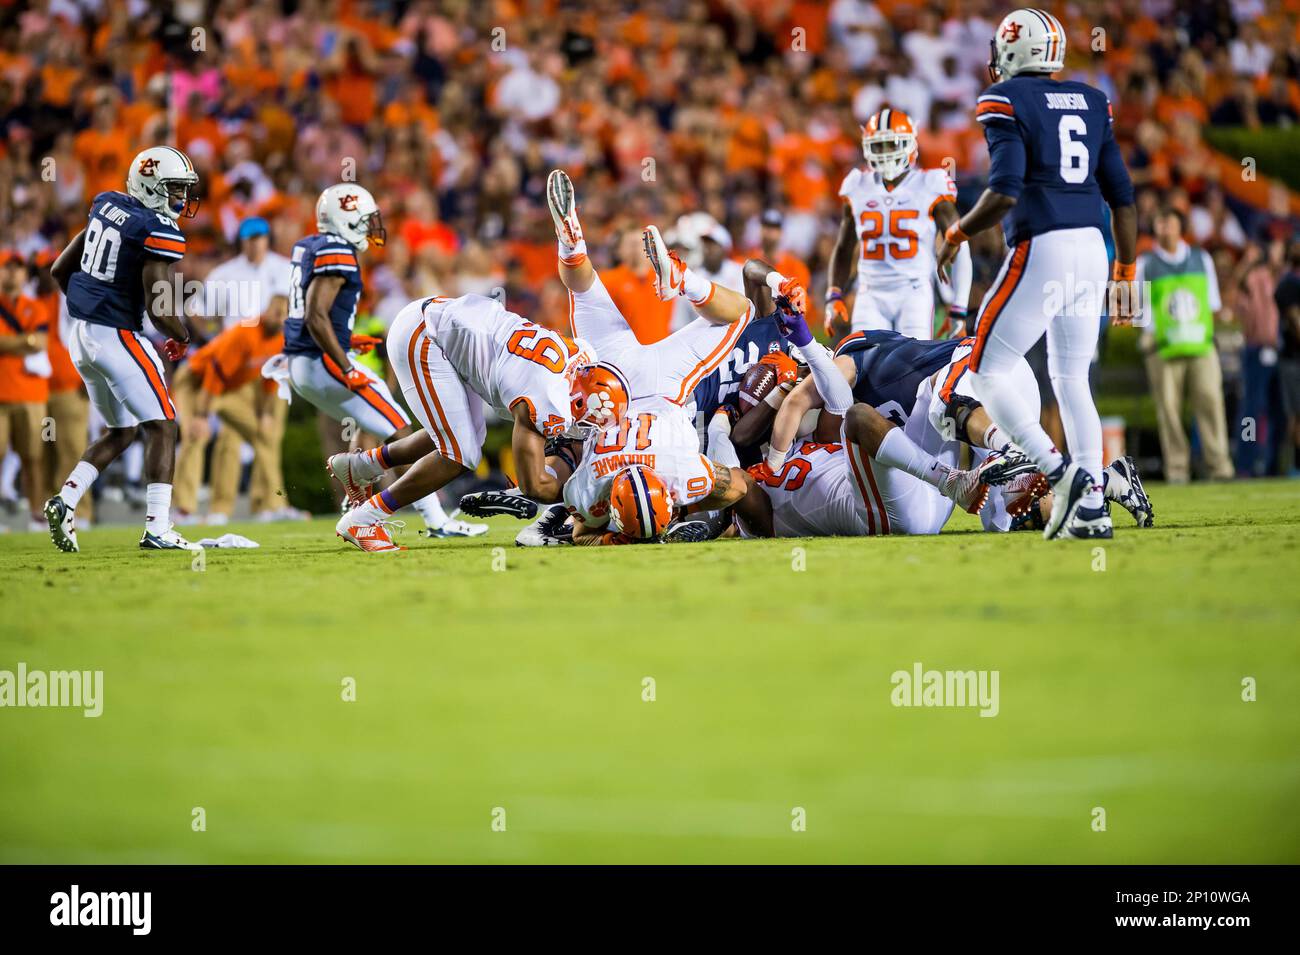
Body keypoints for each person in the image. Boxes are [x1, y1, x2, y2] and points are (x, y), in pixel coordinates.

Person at [936, 8, 1138, 540]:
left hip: (1044, 244)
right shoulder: (1093, 100)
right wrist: (1126, 270)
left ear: (1010, 52)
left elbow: (1004, 190)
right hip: (1094, 249)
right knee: (1072, 381)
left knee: (984, 369)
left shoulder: (1006, 99)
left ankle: (1059, 473)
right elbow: (1122, 195)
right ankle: (1091, 502)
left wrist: (956, 233)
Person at [45, 146, 203, 552]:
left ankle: (65, 501)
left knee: (123, 430)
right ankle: (157, 529)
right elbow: (157, 304)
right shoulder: (156, 230)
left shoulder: (106, 206)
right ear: (151, 186)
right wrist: (182, 335)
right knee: (165, 424)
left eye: (183, 190)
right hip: (117, 335)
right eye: (173, 189)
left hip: (81, 335)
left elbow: (60, 269)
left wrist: (89, 306)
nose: (181, 199)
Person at [827, 108, 972, 342]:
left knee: (912, 367)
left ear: (909, 144)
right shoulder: (856, 184)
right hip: (869, 292)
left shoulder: (930, 182)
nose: (885, 153)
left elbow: (960, 244)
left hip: (913, 290)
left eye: (892, 145)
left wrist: (958, 308)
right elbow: (844, 247)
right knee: (864, 366)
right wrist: (833, 294)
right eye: (879, 146)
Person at [1136, 208, 1235, 483]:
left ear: (1181, 227)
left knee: (1211, 403)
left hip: (1201, 345)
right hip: (1162, 348)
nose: (1164, 226)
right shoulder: (1146, 263)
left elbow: (1212, 302)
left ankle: (1220, 467)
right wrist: (1151, 337)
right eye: (1160, 221)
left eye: (1169, 221)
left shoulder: (1201, 258)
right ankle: (1177, 470)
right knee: (1168, 410)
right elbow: (1139, 308)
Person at [173, 294, 291, 523]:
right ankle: (183, 510)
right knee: (196, 434)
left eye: (286, 315)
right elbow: (214, 374)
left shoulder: (280, 339)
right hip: (197, 382)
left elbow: (268, 380)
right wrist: (201, 416)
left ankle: (275, 505)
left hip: (229, 389)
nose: (282, 319)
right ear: (266, 311)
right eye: (278, 313)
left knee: (263, 435)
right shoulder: (244, 333)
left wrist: (264, 413)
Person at [0, 251, 50, 530]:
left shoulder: (36, 307)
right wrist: (24, 341)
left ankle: (36, 515)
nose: (13, 273)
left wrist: (9, 342)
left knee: (35, 457)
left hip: (32, 396)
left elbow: (40, 343)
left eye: (17, 268)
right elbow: (32, 341)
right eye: (7, 267)